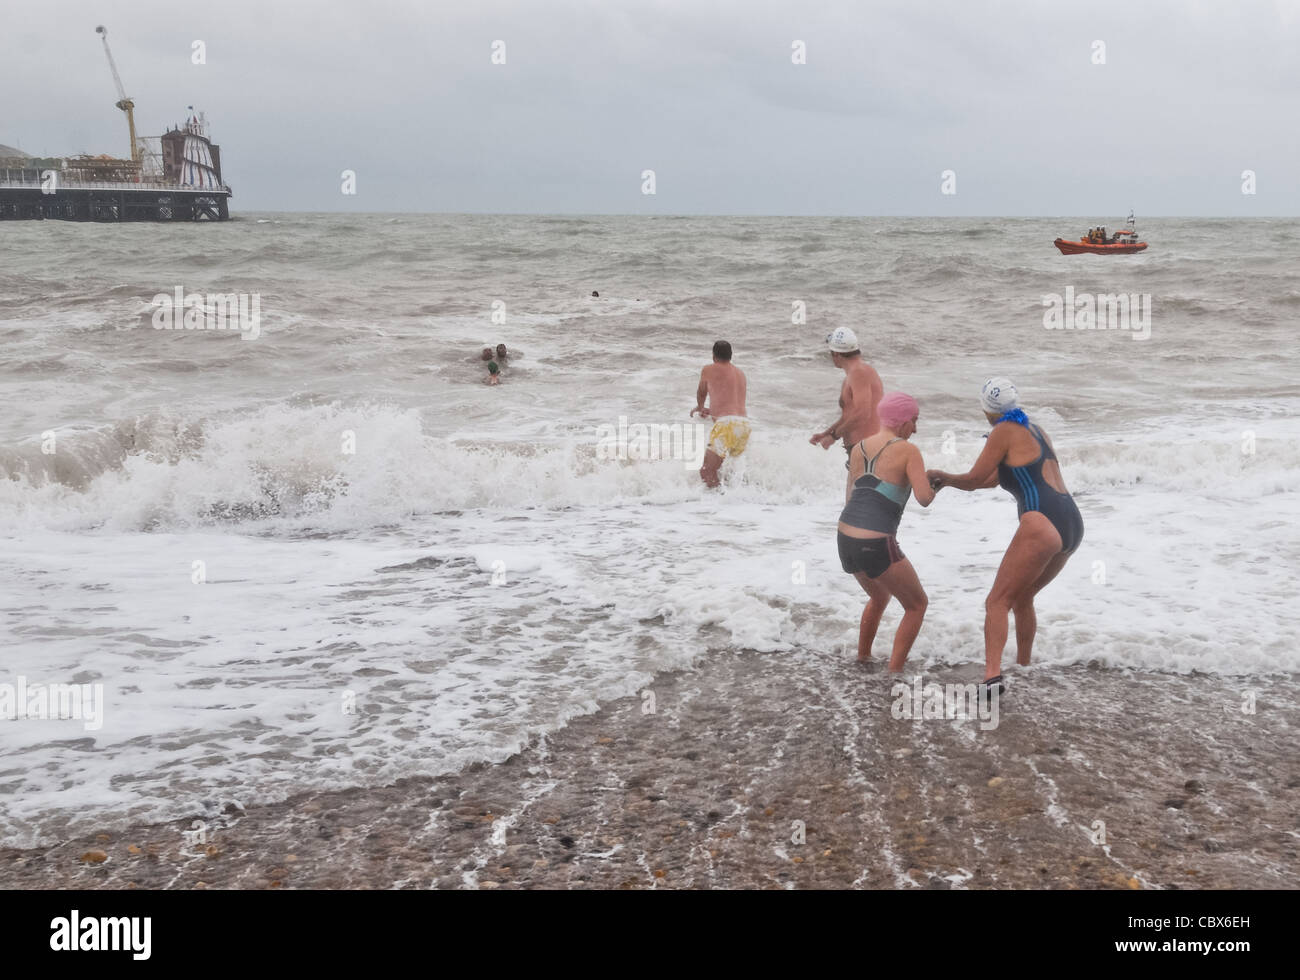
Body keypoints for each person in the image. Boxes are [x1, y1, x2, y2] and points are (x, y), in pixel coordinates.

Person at [926, 379, 1084, 693]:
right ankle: (1024, 666)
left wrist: (945, 478)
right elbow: (995, 479)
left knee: (996, 602)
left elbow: (973, 480)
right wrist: (947, 481)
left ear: (987, 408)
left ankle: (991, 677)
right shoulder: (1036, 430)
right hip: (1071, 522)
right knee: (1023, 597)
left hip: (1041, 522)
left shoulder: (1001, 432)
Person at [838, 393, 935, 670]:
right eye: (914, 421)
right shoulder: (908, 450)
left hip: (845, 538)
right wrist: (937, 483)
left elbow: (849, 498)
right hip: (876, 540)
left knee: (879, 596)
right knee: (917, 605)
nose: (914, 428)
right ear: (903, 421)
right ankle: (894, 672)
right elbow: (924, 498)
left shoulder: (858, 448)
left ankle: (863, 656)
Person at [810, 327, 884, 466]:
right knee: (852, 489)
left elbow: (863, 414)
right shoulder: (854, 374)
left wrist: (833, 437)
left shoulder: (859, 373)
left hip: (868, 451)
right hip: (861, 451)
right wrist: (827, 433)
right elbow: (850, 415)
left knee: (859, 489)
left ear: (836, 354)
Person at [690, 340, 749, 488]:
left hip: (726, 425)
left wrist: (700, 406)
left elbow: (702, 391)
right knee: (730, 473)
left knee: (706, 471)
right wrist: (713, 412)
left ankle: (717, 505)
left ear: (713, 356)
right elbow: (730, 403)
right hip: (743, 426)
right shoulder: (740, 373)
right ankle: (741, 503)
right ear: (731, 356)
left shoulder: (709, 369)